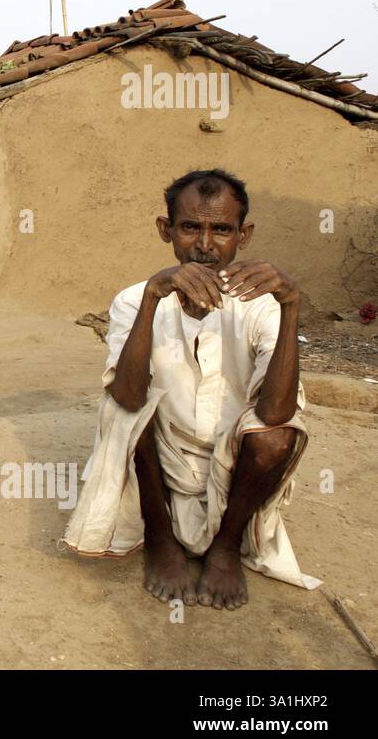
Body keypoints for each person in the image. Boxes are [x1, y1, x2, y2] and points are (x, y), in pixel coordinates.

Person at [63, 169, 316, 609]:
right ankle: (161, 539)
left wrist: (292, 308)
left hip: (235, 460)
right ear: (166, 231)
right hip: (160, 458)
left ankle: (225, 547)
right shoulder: (135, 298)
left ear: (244, 234)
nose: (204, 245)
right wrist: (151, 300)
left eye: (221, 229)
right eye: (189, 227)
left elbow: (275, 414)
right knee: (123, 413)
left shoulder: (263, 304)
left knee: (282, 433)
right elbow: (126, 396)